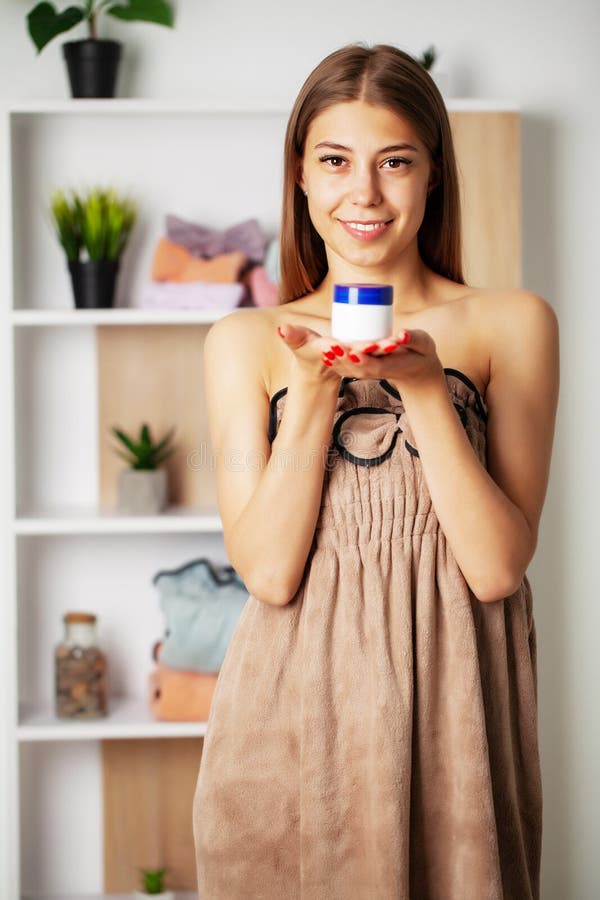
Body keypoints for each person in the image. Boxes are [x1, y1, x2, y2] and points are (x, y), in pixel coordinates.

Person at [192, 42, 559, 900]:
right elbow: (271, 572)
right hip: (286, 729)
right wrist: (314, 394)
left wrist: (427, 391)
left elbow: (499, 565)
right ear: (301, 178)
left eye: (395, 161)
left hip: (456, 726)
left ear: (433, 175)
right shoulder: (246, 342)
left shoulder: (511, 324)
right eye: (335, 161)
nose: (364, 193)